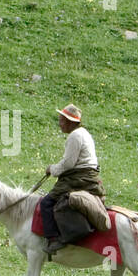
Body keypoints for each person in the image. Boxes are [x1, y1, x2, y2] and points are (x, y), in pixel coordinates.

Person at [41, 104, 104, 255]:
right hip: (87, 175)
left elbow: (69, 163)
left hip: (78, 178)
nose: (60, 124)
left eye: (62, 121)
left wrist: (52, 169)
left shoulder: (75, 136)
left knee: (46, 203)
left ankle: (54, 239)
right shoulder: (83, 133)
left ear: (70, 122)